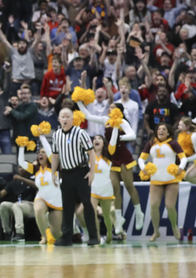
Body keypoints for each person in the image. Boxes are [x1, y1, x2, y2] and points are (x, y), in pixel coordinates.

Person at [76, 100, 142, 238]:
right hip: (112, 158)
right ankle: (118, 219)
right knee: (115, 189)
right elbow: (88, 116)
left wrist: (120, 136)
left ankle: (139, 212)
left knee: (129, 186)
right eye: (109, 107)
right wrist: (79, 102)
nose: (109, 109)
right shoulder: (106, 120)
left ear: (118, 111)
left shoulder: (122, 122)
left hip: (123, 157)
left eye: (112, 108)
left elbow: (133, 135)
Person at [50, 108, 99, 246]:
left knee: (87, 204)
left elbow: (91, 153)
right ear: (59, 119)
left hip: (81, 172)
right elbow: (55, 155)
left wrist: (92, 172)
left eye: (67, 117)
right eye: (62, 117)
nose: (65, 119)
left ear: (72, 119)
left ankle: (93, 236)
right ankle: (66, 237)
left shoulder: (81, 133)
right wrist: (53, 172)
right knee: (67, 206)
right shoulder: (56, 135)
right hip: (65, 173)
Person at [138, 123, 187, 241]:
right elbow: (141, 158)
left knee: (170, 205)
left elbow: (183, 158)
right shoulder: (151, 143)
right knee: (154, 205)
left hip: (171, 179)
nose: (161, 131)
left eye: (164, 129)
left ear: (168, 132)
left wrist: (180, 167)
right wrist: (143, 168)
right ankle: (156, 231)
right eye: (159, 129)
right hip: (156, 179)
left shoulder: (173, 143)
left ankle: (174, 226)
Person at [76, 133, 117, 244]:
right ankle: (97, 237)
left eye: (99, 139)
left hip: (106, 189)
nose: (96, 140)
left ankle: (109, 232)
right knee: (92, 212)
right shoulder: (87, 156)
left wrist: (115, 128)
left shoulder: (108, 155)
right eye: (94, 139)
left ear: (103, 143)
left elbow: (113, 140)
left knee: (106, 215)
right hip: (93, 189)